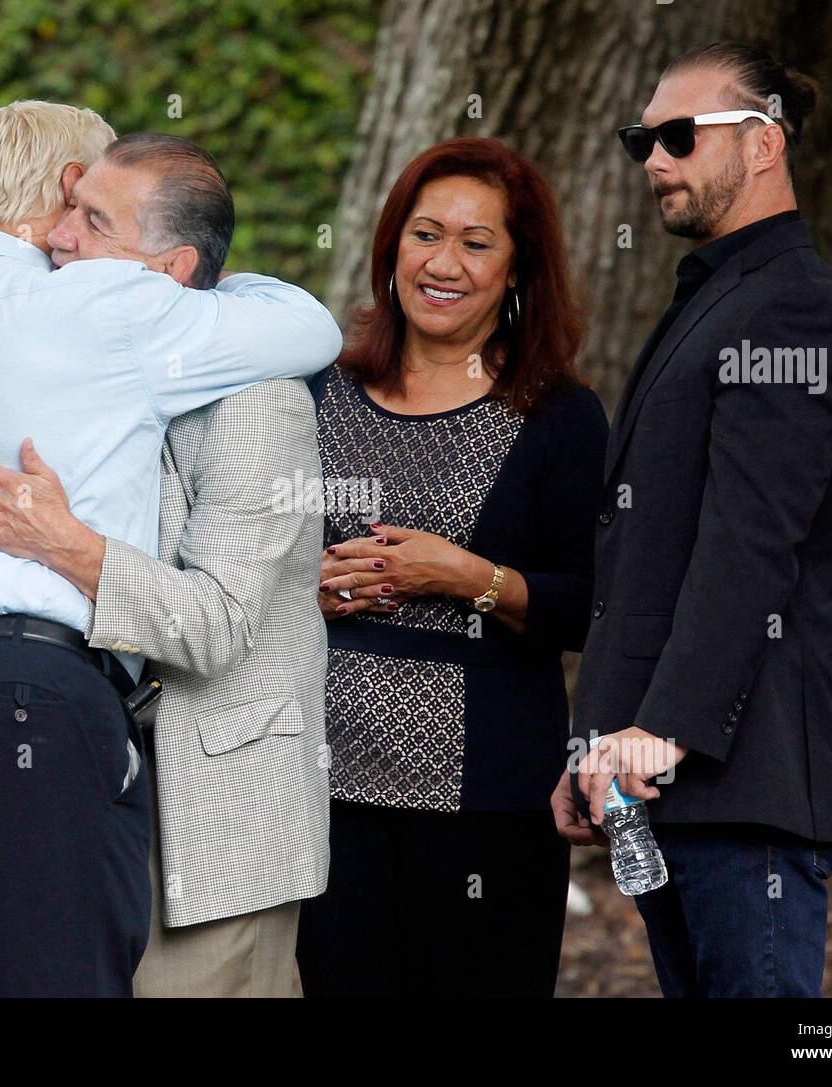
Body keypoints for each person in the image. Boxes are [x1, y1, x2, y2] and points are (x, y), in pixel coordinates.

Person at [0, 102, 341, 997]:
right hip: (25, 703)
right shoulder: (109, 305)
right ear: (61, 185)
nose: (66, 234)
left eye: (91, 220)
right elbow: (312, 324)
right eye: (77, 206)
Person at [552, 42, 832, 998]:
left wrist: (659, 731)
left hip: (745, 783)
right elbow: (646, 559)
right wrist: (595, 745)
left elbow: (749, 548)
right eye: (641, 139)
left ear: (764, 143)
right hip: (671, 781)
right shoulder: (718, 295)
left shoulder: (794, 311)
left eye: (679, 136)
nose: (654, 159)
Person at [294, 137, 609, 996]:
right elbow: (241, 568)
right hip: (322, 792)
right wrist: (303, 588)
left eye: (477, 243)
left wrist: (469, 577)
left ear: (517, 271)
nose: (444, 263)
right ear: (392, 245)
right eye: (425, 234)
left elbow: (596, 607)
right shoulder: (315, 393)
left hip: (487, 807)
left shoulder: (558, 417)